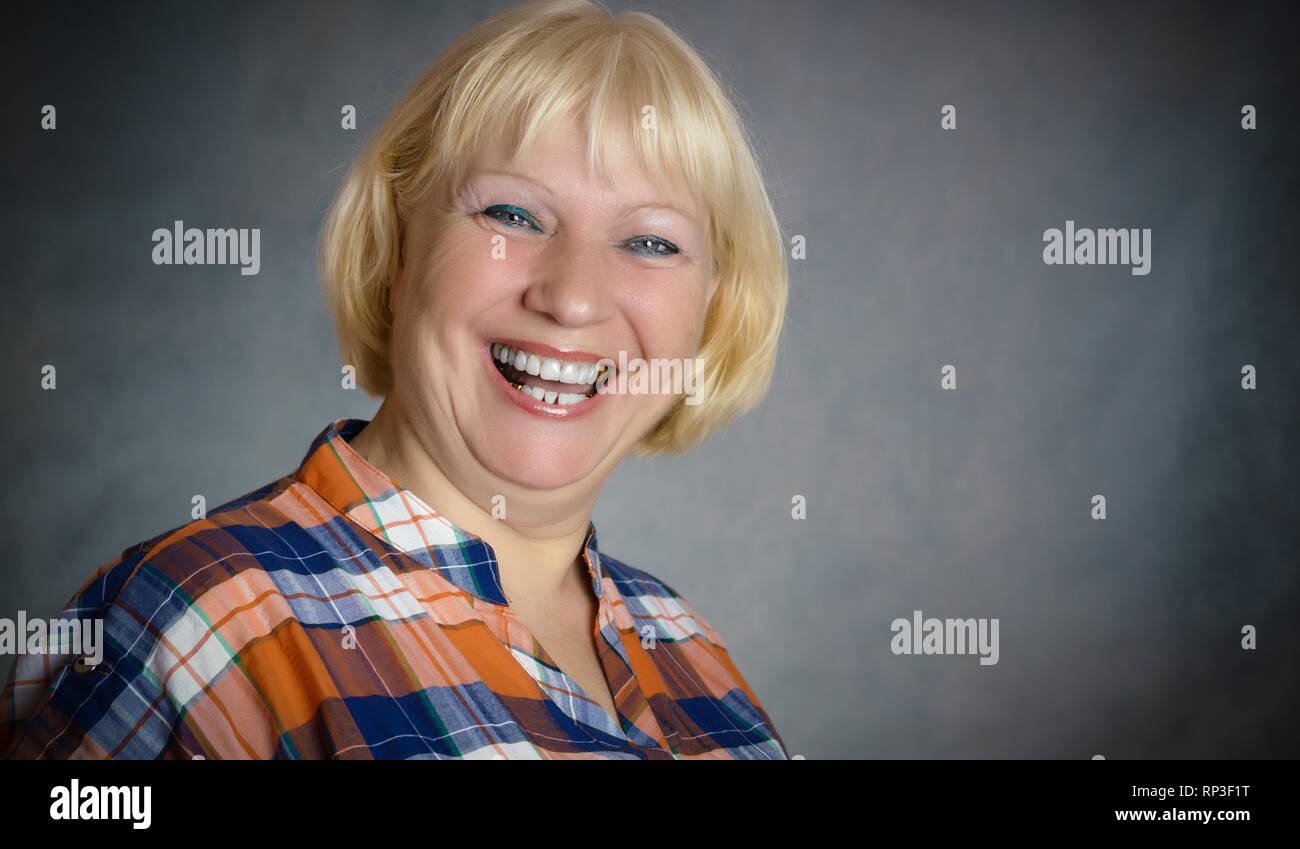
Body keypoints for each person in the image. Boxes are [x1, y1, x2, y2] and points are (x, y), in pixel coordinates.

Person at [0, 0, 789, 759]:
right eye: (514, 215)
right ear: (397, 244)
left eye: (651, 243)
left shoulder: (688, 644)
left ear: (712, 305)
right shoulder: (202, 625)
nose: (573, 297)